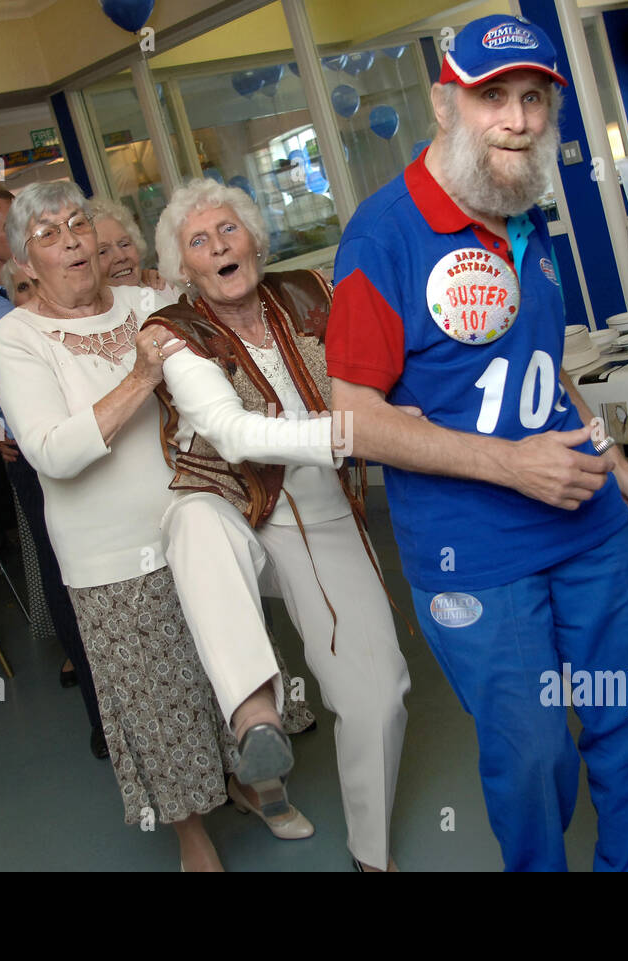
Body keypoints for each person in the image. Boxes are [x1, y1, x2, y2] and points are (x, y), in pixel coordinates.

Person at [326, 14, 628, 872]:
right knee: (533, 754)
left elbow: (539, 368)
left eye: (533, 98)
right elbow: (352, 417)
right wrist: (509, 465)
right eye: (495, 97)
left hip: (586, 521)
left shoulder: (521, 214)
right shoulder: (383, 238)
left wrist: (614, 462)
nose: (518, 119)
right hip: (475, 549)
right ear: (445, 103)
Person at [0, 180, 314, 871]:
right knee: (158, 702)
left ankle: (258, 784)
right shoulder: (17, 336)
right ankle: (191, 834)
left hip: (198, 517)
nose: (73, 239)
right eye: (49, 234)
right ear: (23, 263)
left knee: (223, 665)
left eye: (77, 223)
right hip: (108, 555)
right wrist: (140, 374)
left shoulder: (152, 302)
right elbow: (51, 450)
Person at [144, 179, 411, 872]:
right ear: (184, 270)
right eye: (198, 242)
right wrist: (356, 433)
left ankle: (371, 854)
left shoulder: (313, 293)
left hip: (321, 506)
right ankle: (253, 713)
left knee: (379, 692)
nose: (219, 246)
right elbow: (233, 434)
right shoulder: (175, 332)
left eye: (227, 229)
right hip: (232, 503)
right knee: (192, 524)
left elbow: (392, 352)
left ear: (254, 239)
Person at [0, 182, 108, 754]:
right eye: (8, 218)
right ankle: (103, 713)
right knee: (69, 580)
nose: (38, 222)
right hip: (32, 456)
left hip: (109, 435)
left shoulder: (81, 275)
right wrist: (5, 398)